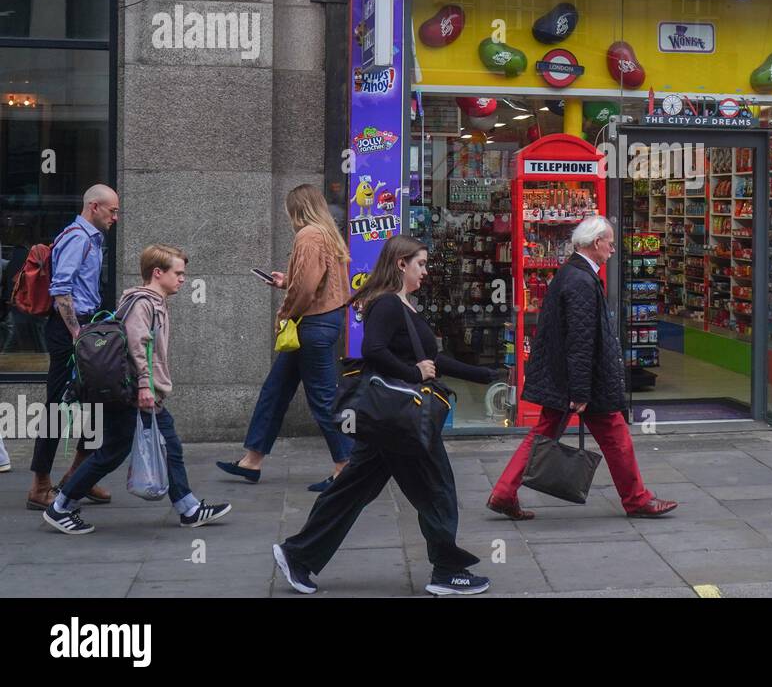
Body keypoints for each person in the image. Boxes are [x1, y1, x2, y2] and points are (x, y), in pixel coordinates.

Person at [273, 235, 496, 595]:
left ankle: (297, 554)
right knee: (437, 490)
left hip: (391, 422)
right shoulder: (388, 305)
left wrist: (482, 375)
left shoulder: (403, 305)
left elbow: (430, 360)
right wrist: (413, 374)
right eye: (420, 264)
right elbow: (373, 350)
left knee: (352, 490)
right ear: (400, 264)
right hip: (399, 419)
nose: (425, 271)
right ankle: (447, 572)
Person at [487, 215, 677, 521]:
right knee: (616, 437)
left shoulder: (572, 273)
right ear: (597, 243)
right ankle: (637, 499)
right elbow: (580, 340)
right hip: (582, 381)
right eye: (611, 244)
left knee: (544, 434)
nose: (613, 250)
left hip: (567, 377)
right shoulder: (581, 280)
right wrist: (579, 391)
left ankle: (504, 492)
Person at [42, 245, 232, 535]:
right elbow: (136, 347)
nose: (183, 279)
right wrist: (145, 385)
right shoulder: (143, 304)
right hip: (136, 393)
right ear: (158, 273)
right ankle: (60, 506)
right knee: (116, 453)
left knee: (160, 447)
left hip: (138, 392)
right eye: (178, 273)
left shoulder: (152, 302)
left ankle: (188, 508)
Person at [217, 185, 353, 490]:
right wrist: (286, 281)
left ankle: (346, 467)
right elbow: (320, 282)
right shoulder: (329, 233)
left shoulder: (308, 235)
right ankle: (251, 461)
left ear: (297, 208)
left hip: (312, 325)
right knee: (275, 390)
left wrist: (285, 313)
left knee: (323, 399)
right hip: (324, 322)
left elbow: (306, 290)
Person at [27, 184, 119, 511]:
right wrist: (77, 334)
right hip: (70, 330)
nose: (116, 218)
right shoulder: (78, 238)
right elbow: (60, 291)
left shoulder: (91, 237)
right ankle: (40, 485)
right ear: (94, 207)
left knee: (96, 400)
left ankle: (80, 474)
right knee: (56, 405)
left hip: (85, 325)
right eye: (112, 211)